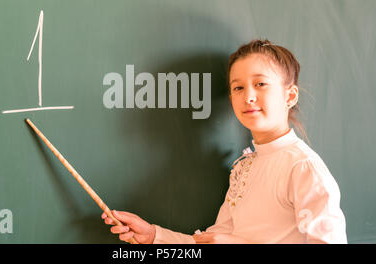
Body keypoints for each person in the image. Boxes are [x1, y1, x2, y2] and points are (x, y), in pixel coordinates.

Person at [101, 39, 347, 244]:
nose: (248, 96)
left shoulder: (302, 168)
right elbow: (217, 240)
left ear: (290, 95)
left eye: (260, 84)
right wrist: (154, 235)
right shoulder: (244, 167)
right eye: (238, 88)